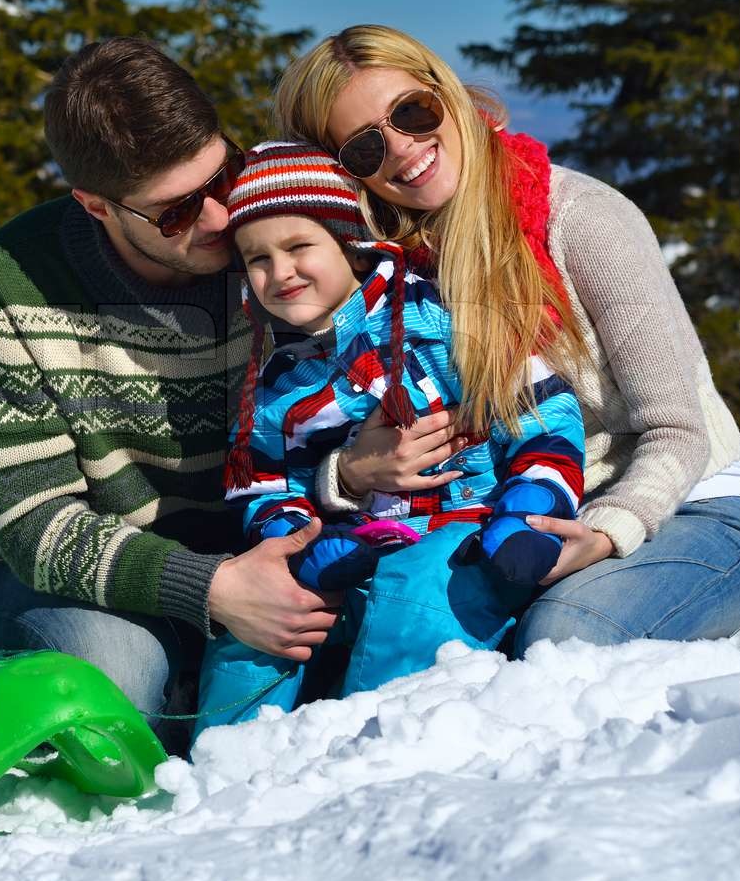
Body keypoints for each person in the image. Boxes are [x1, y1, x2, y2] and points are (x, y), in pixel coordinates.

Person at [273, 25, 740, 656]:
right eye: (365, 149)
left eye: (411, 113)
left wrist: (610, 530)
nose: (402, 149)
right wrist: (350, 473)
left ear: (444, 92)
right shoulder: (376, 276)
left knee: (561, 640)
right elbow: (301, 427)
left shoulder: (581, 219)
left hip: (678, 513)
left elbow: (678, 430)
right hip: (498, 523)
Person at [0, 37, 339, 752]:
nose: (218, 218)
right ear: (96, 206)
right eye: (176, 213)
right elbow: (31, 522)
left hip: (255, 544)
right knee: (114, 675)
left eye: (225, 176)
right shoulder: (10, 279)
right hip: (49, 571)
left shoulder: (276, 235)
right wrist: (211, 589)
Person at [192, 143, 586, 735]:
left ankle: (375, 744)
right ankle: (226, 759)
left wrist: (525, 513)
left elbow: (544, 416)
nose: (281, 273)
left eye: (300, 247)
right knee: (257, 627)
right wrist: (296, 542)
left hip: (467, 537)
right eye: (257, 259)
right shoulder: (276, 381)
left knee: (413, 591)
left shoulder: (443, 322)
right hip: (346, 556)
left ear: (349, 241)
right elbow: (261, 482)